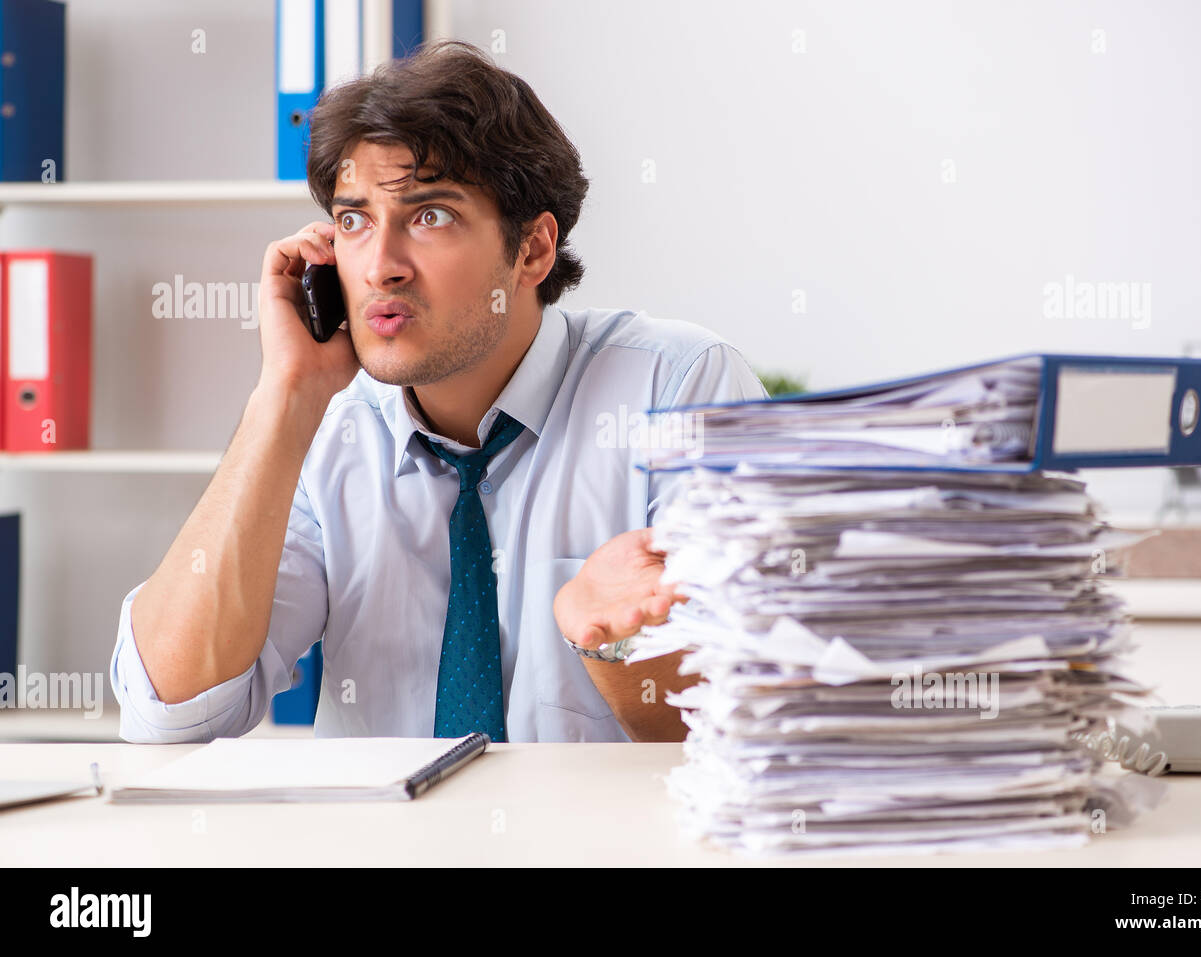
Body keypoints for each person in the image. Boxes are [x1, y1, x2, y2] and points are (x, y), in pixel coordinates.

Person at [109, 39, 766, 744]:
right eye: (354, 220)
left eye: (430, 215)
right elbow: (169, 710)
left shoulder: (680, 389)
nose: (381, 267)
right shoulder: (326, 427)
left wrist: (610, 645)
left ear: (532, 251)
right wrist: (285, 395)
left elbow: (750, 728)